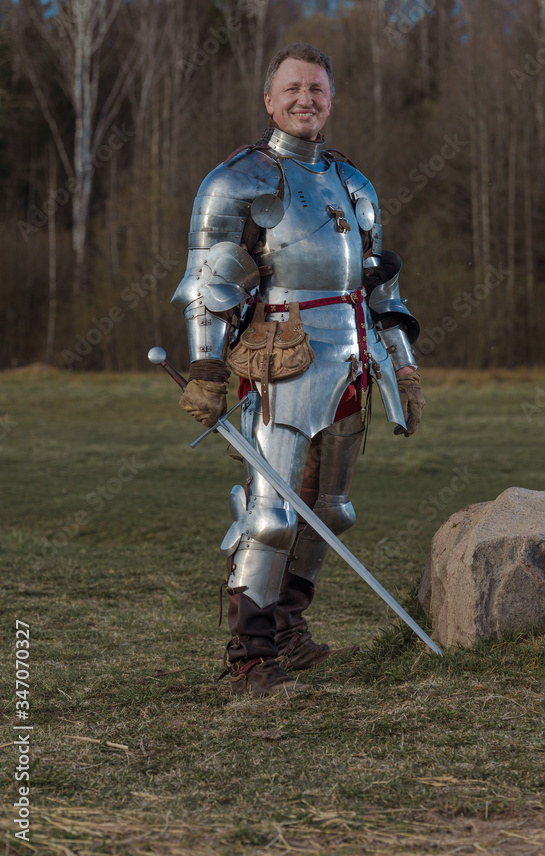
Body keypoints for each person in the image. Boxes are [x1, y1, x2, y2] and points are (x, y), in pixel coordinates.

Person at [171, 42, 424, 695]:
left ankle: (287, 628)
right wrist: (205, 367)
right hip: (280, 356)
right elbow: (208, 281)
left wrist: (405, 366)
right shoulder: (238, 179)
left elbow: (378, 289)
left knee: (331, 510)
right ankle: (248, 657)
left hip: (351, 359)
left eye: (316, 90)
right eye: (292, 90)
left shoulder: (352, 182)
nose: (305, 100)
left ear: (330, 100)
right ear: (268, 100)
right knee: (272, 516)